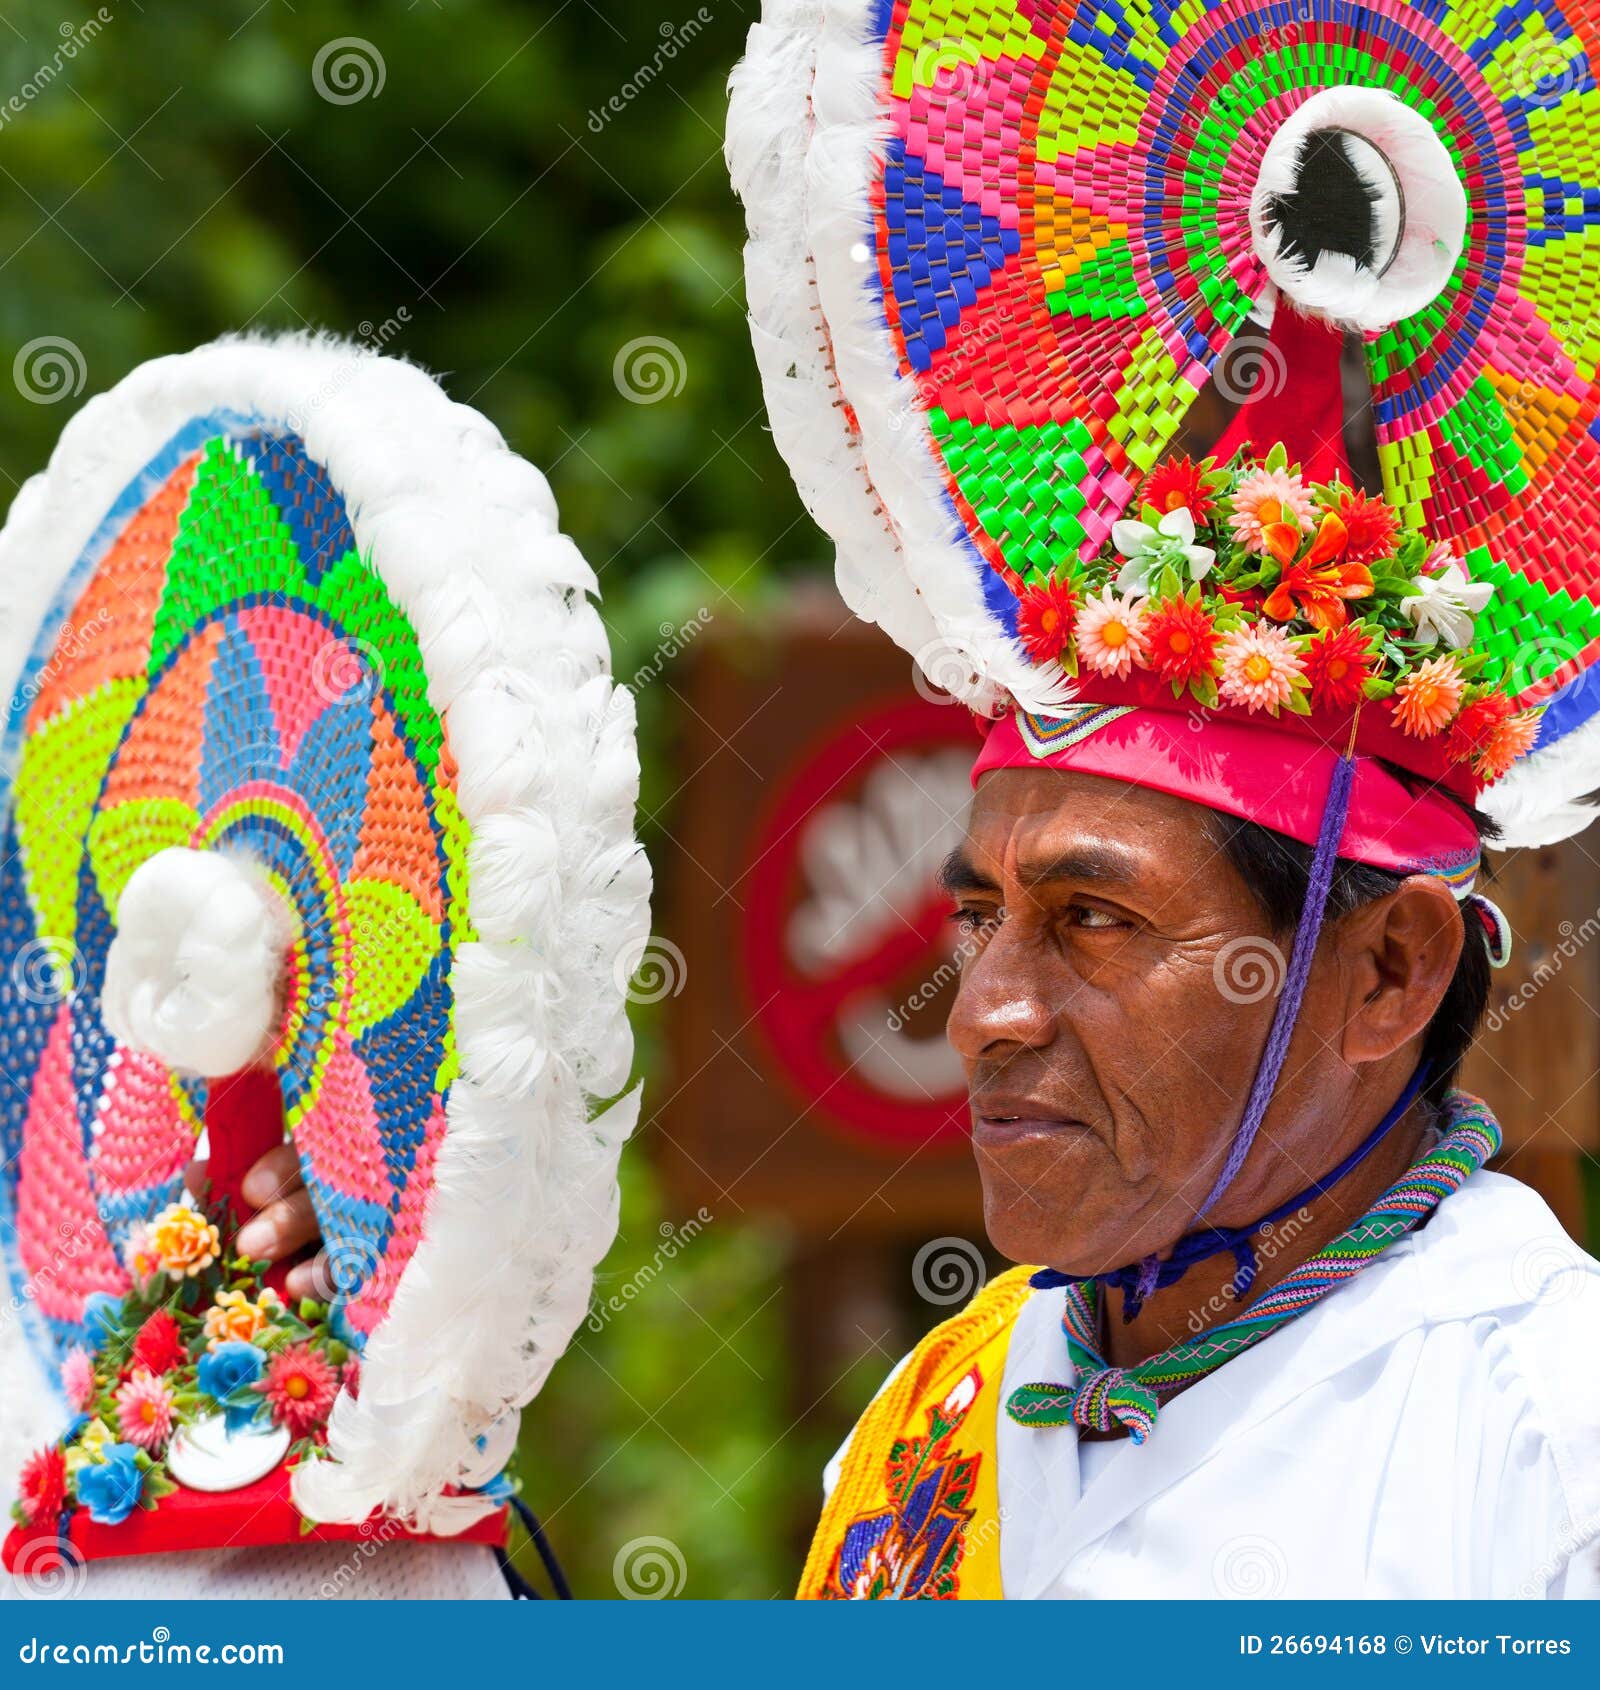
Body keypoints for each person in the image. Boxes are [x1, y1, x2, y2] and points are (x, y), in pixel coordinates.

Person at [727, 0, 1600, 1598]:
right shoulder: (935, 1421)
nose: (983, 1011)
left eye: (1093, 918)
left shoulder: (1546, 1435)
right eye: (981, 913)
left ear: (1392, 970)